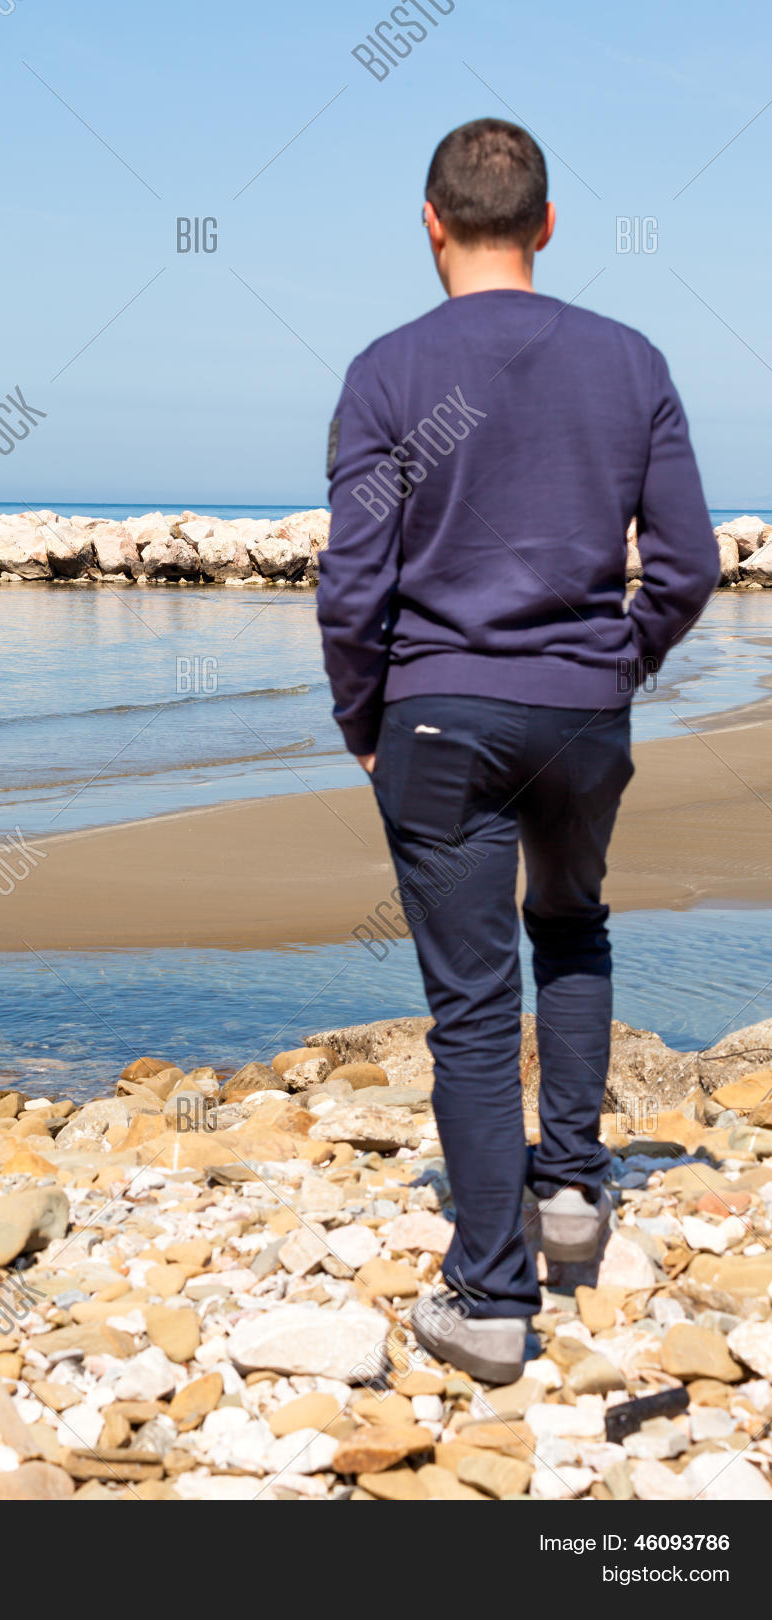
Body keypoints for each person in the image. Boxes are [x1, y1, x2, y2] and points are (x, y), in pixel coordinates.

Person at [317, 117, 719, 1383]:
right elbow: (693, 563)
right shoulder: (629, 359)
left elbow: (350, 590)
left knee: (474, 1009)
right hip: (580, 712)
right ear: (545, 225)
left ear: (429, 223)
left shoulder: (385, 372)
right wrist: (616, 663)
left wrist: (362, 717)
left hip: (438, 714)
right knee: (574, 926)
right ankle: (571, 1197)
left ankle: (491, 1300)